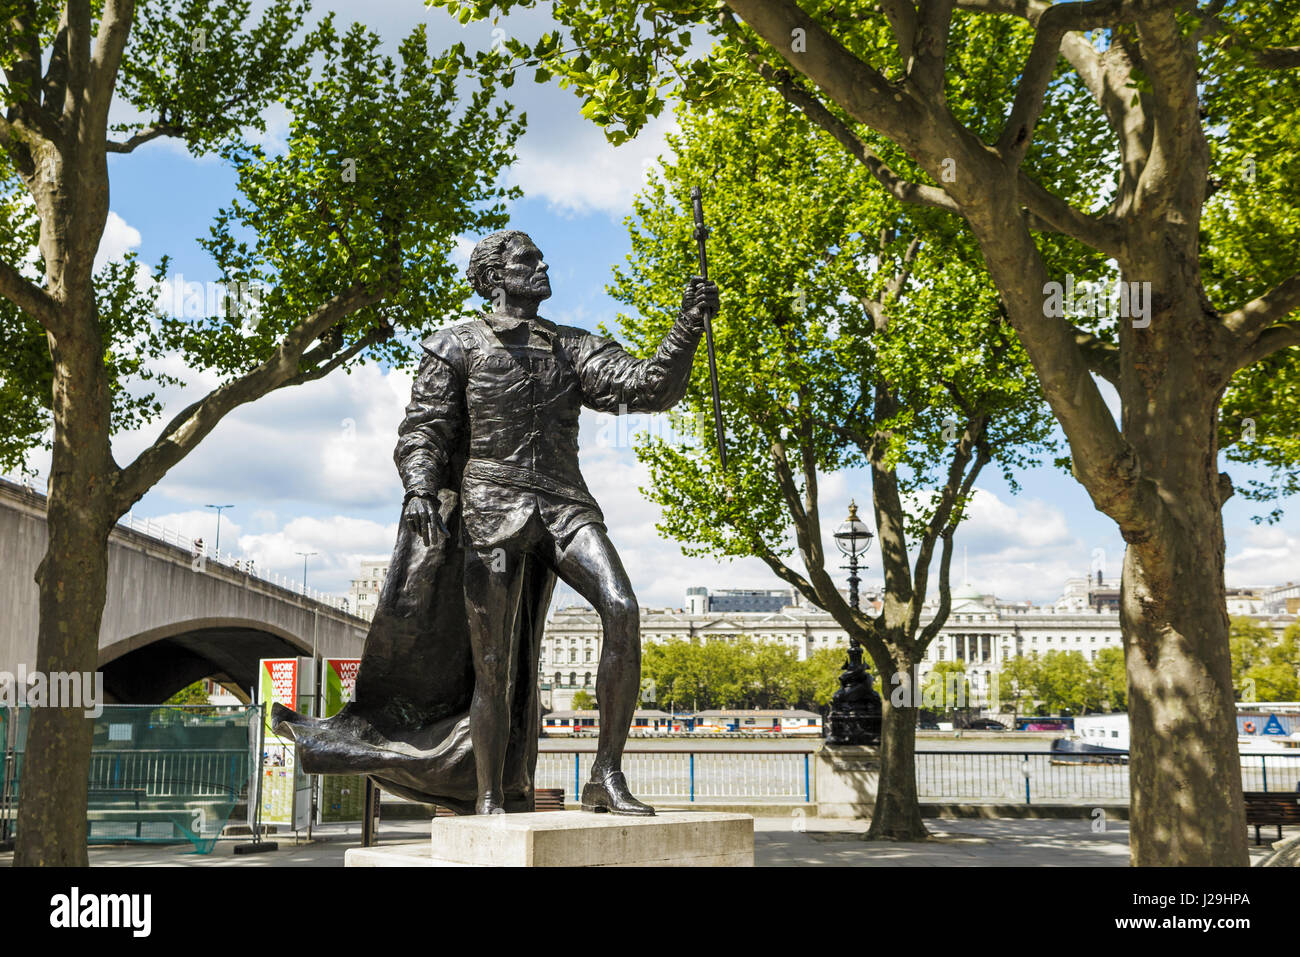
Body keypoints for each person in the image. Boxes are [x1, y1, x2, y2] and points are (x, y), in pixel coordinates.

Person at [399, 230, 718, 815]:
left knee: (621, 607)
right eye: (527, 260)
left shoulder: (572, 345)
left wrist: (687, 326)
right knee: (492, 665)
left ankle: (605, 776)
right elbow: (424, 426)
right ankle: (490, 793)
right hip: (492, 507)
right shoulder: (454, 345)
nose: (543, 266)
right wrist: (420, 484)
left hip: (565, 503)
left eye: (542, 257)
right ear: (495, 276)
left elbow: (648, 389)